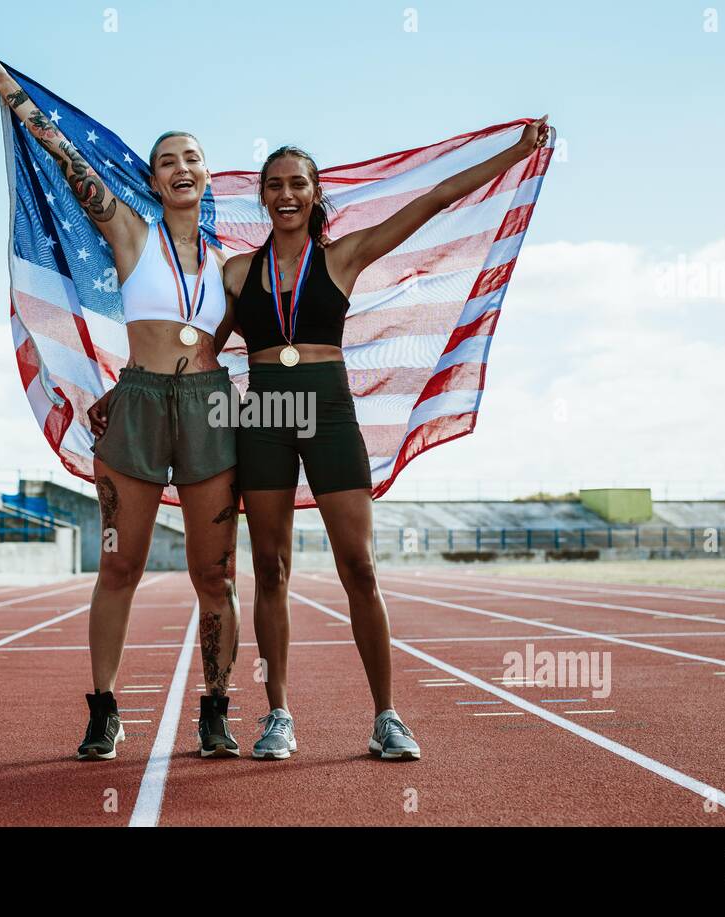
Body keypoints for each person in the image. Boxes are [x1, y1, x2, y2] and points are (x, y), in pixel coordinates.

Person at [219, 118, 551, 760]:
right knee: (270, 568)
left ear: (316, 194)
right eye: (275, 185)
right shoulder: (236, 273)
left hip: (328, 408)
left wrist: (515, 153)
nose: (286, 194)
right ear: (261, 196)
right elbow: (203, 350)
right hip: (264, 414)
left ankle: (386, 717)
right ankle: (278, 715)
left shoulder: (343, 257)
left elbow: (431, 201)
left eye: (298, 184)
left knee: (360, 567)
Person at [0, 48, 243, 759]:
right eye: (167, 161)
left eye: (192, 158)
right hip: (141, 408)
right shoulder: (132, 234)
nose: (181, 167)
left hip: (210, 411)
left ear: (207, 173)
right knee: (119, 565)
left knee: (215, 575)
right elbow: (72, 167)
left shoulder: (231, 265)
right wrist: (14, 98)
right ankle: (104, 708)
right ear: (152, 180)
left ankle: (215, 708)